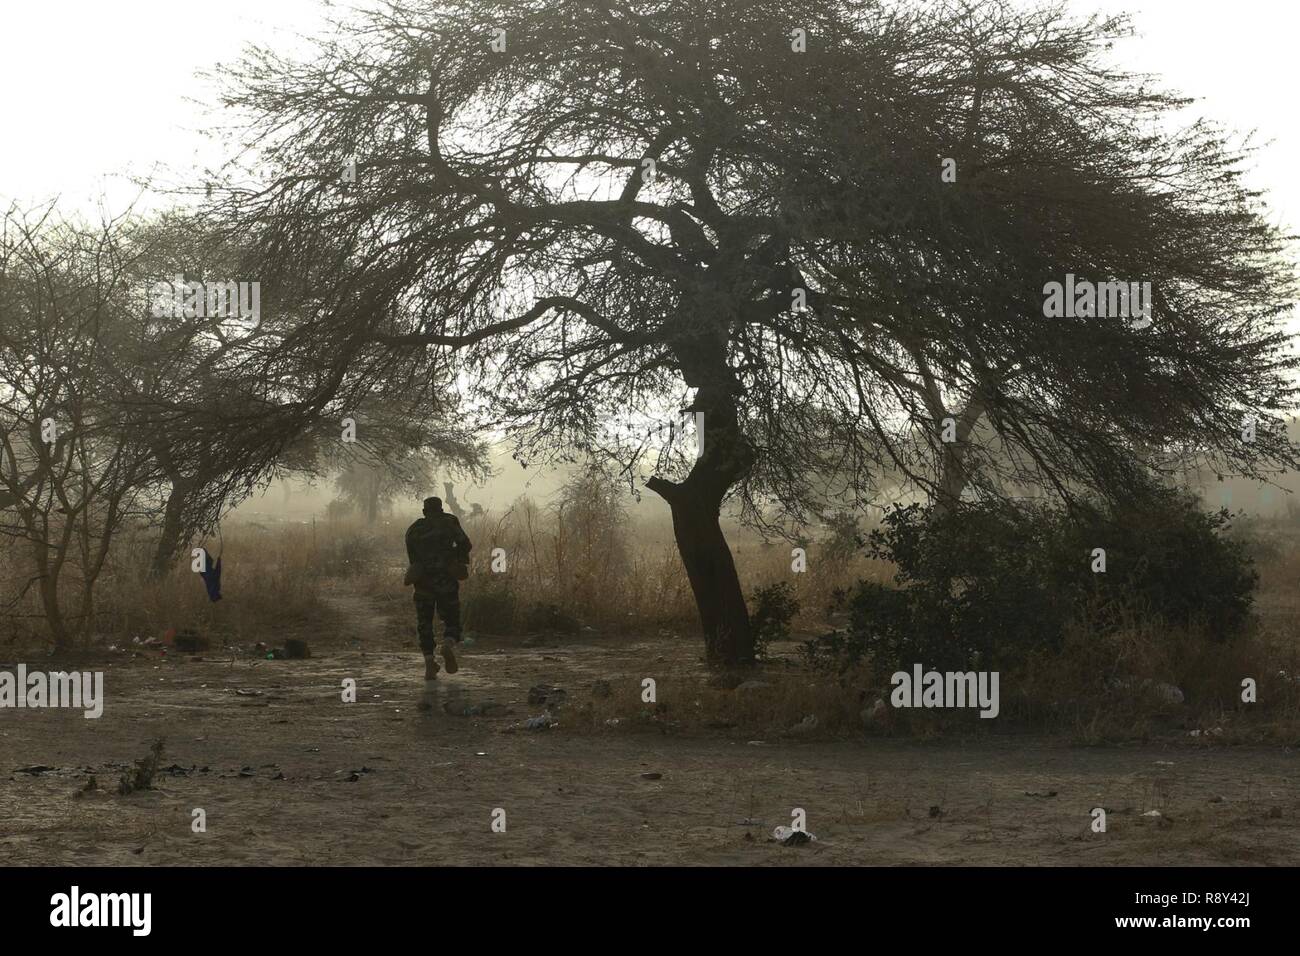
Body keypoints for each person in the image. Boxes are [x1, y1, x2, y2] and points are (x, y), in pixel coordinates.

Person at [404, 496, 472, 709]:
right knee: (452, 618)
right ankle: (449, 643)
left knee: (424, 622)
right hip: (446, 581)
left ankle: (429, 664)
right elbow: (466, 544)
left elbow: (412, 559)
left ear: (424, 511)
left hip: (423, 584)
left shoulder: (414, 529)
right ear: (441, 509)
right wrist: (456, 560)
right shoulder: (450, 522)